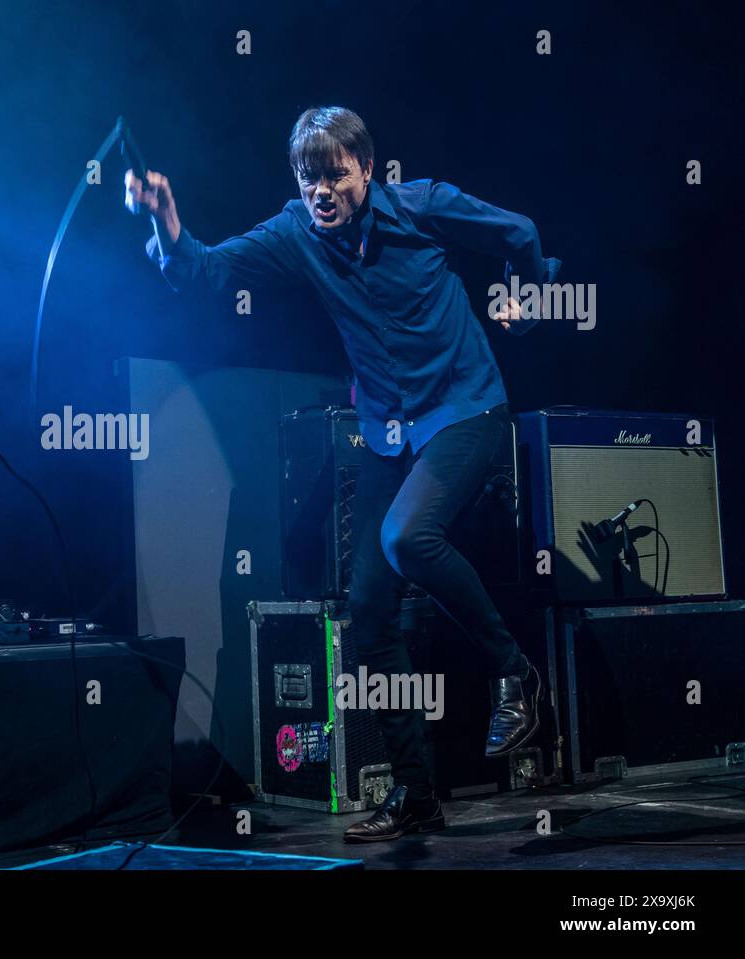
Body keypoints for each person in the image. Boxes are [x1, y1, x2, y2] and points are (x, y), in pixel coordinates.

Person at [125, 105, 561, 842]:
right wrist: (167, 219)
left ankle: (516, 672)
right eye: (308, 177)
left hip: (467, 410)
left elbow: (519, 232)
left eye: (334, 175)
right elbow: (205, 271)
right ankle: (415, 794)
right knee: (366, 612)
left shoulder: (420, 205)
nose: (321, 191)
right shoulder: (297, 231)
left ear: (364, 168)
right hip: (391, 433)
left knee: (407, 538)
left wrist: (528, 294)